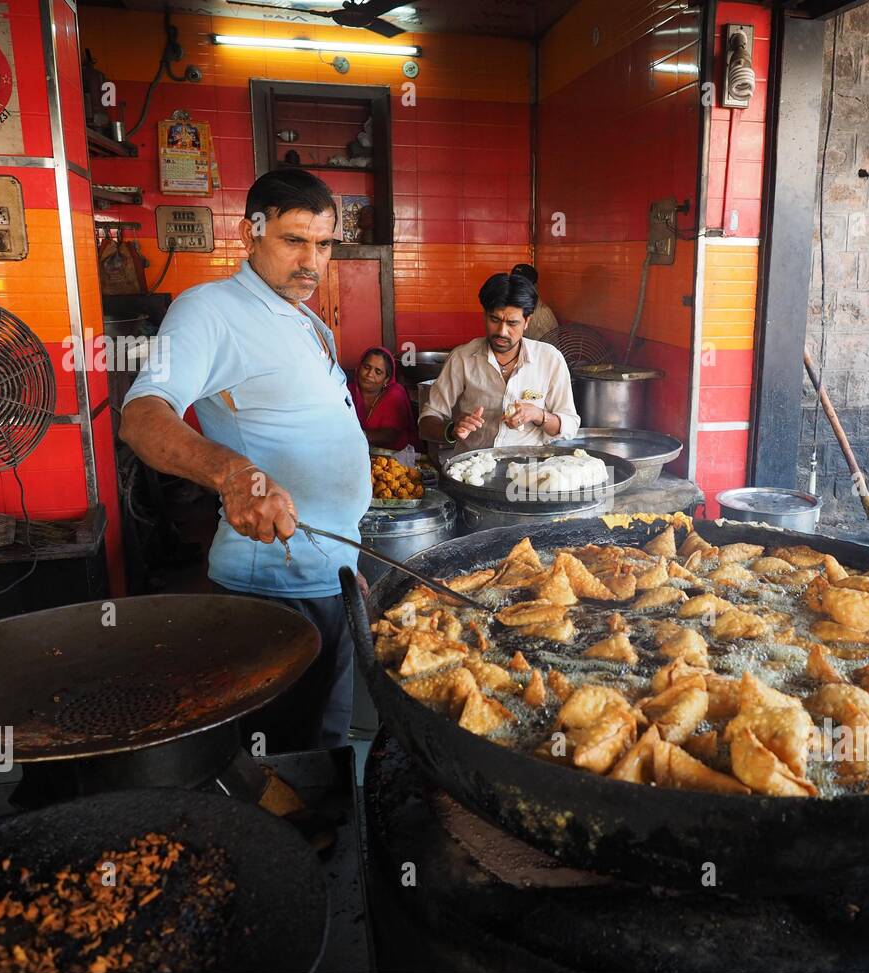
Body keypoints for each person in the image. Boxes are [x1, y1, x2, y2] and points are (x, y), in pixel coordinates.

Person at [119, 167, 370, 752]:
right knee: (279, 758)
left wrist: (342, 550)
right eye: (294, 241)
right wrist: (233, 474)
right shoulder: (210, 310)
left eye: (324, 244)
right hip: (272, 589)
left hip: (328, 572)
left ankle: (326, 836)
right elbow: (142, 417)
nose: (312, 261)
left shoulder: (304, 317)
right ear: (249, 232)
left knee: (326, 743)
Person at [419, 271, 579, 453]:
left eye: (512, 323)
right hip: (473, 470)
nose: (502, 331)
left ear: (527, 322)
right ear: (484, 315)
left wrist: (538, 415)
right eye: (494, 320)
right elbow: (427, 419)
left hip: (528, 471)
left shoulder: (549, 359)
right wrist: (451, 429)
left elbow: (570, 425)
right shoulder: (463, 358)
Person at [348, 345, 417, 451]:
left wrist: (355, 436)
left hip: (396, 457)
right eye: (366, 367)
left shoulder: (395, 393)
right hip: (359, 452)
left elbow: (390, 434)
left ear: (386, 379)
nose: (370, 374)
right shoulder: (348, 391)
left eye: (378, 372)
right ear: (359, 367)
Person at [511, 263, 559, 341]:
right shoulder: (512, 306)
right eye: (513, 282)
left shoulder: (542, 315)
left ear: (535, 287)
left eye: (522, 284)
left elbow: (543, 350)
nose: (516, 287)